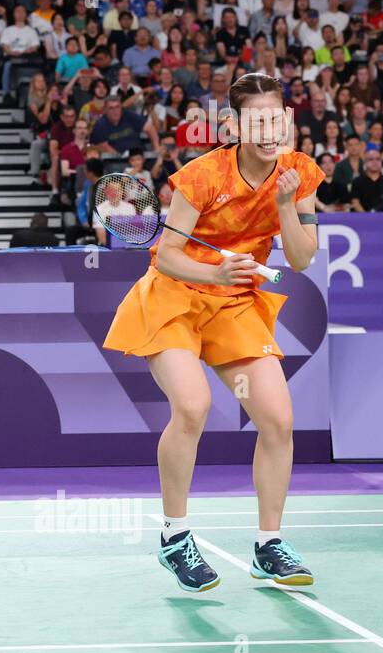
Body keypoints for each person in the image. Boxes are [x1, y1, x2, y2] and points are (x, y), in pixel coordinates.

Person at [103, 73, 324, 593]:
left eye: (277, 117)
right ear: (234, 124)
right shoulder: (201, 176)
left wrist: (287, 206)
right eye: (258, 119)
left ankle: (269, 546)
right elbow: (169, 256)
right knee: (193, 406)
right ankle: (175, 537)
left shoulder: (299, 173)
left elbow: (301, 257)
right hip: (175, 297)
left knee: (278, 418)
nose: (270, 129)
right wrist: (215, 274)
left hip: (234, 305)